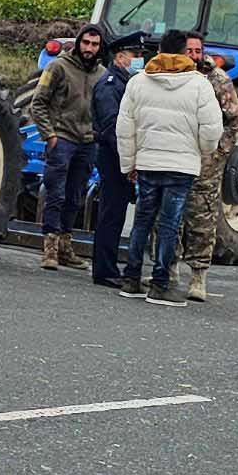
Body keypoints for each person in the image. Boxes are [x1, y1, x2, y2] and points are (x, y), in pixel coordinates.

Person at [116, 28, 223, 307]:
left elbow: (125, 128)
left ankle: (131, 278)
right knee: (169, 224)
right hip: (181, 167)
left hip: (148, 164)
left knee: (142, 221)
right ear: (184, 50)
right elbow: (212, 129)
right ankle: (161, 285)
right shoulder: (200, 85)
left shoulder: (139, 82)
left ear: (160, 50)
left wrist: (129, 163)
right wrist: (201, 151)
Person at [28, 23, 104, 270]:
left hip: (87, 142)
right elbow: (37, 103)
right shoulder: (57, 67)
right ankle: (49, 248)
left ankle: (65, 246)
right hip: (62, 139)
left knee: (75, 196)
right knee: (55, 194)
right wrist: (50, 136)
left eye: (94, 44)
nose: (89, 48)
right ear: (79, 42)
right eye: (86, 43)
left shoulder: (102, 74)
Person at [176, 31, 238, 302]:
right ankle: (167, 269)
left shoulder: (217, 80)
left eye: (197, 50)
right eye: (189, 50)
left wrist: (218, 154)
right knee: (169, 217)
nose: (193, 55)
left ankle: (198, 275)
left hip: (205, 162)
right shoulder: (172, 75)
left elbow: (235, 120)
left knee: (202, 218)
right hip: (176, 157)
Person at [89, 29, 144, 288]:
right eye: (135, 55)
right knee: (111, 213)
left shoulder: (125, 84)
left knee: (117, 211)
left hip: (120, 156)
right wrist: (128, 160)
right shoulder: (110, 85)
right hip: (113, 156)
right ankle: (104, 269)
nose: (139, 60)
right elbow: (113, 129)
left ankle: (108, 266)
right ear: (121, 57)